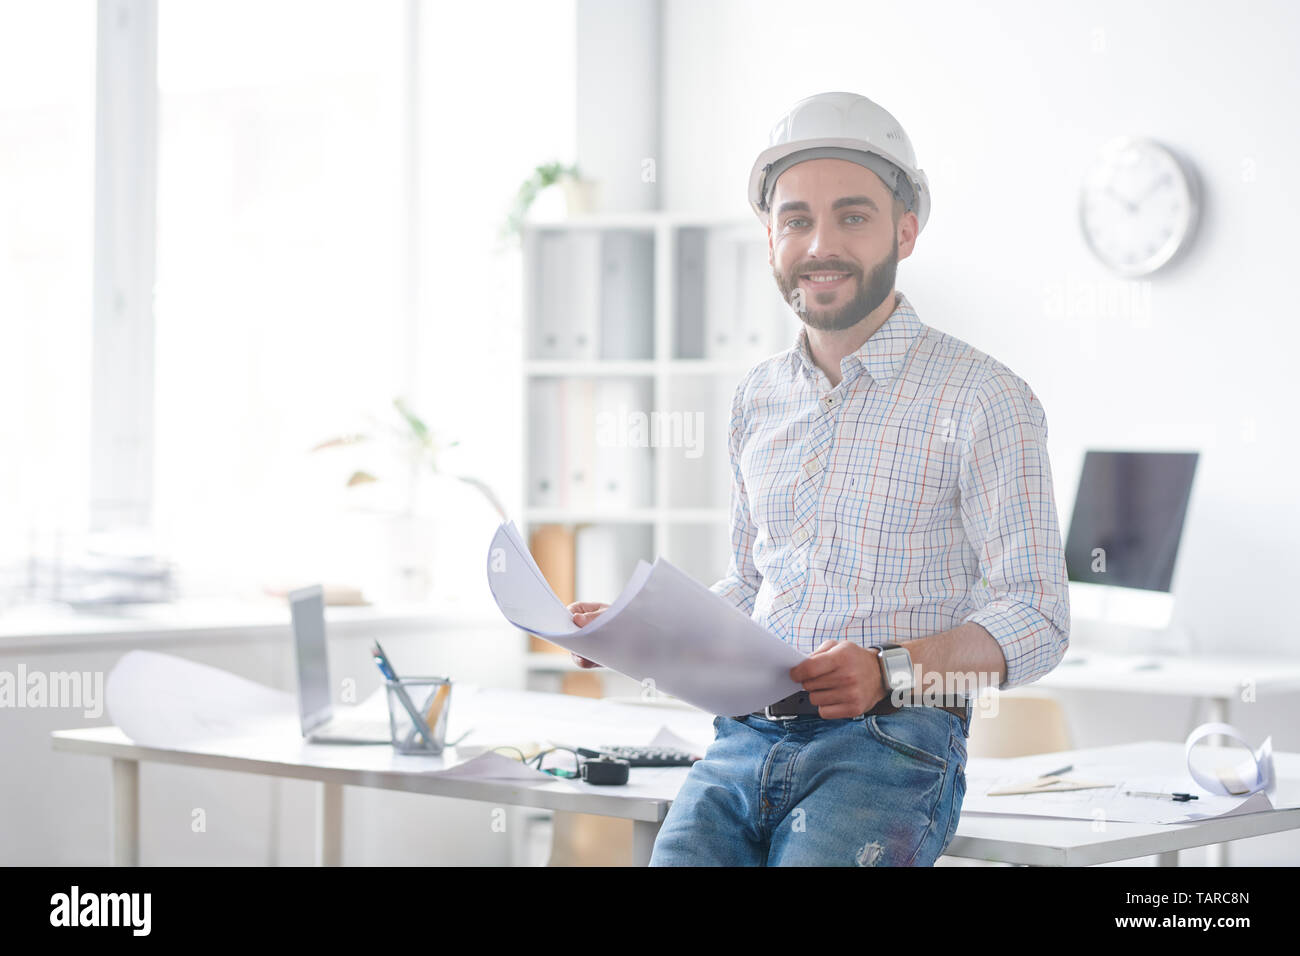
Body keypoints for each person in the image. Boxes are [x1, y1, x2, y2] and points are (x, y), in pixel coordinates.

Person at [569, 91, 1070, 866]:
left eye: (853, 216)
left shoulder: (984, 398)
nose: (820, 244)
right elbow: (752, 583)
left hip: (891, 743)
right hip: (742, 740)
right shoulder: (757, 397)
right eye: (797, 219)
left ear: (906, 229)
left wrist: (889, 673)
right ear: (770, 235)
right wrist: (641, 630)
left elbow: (1037, 616)